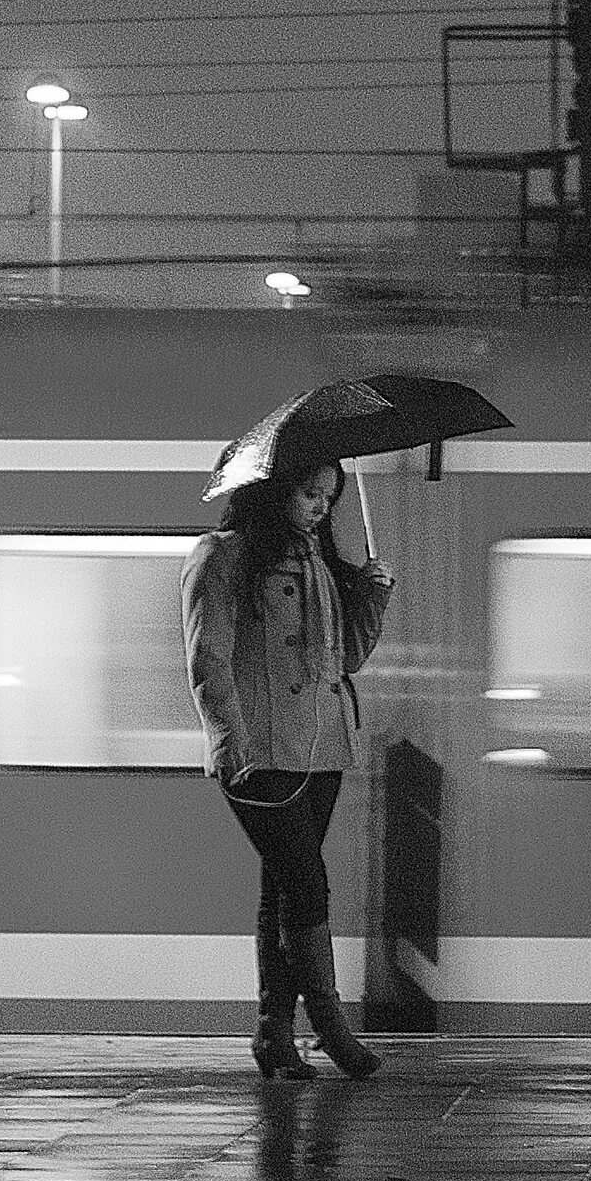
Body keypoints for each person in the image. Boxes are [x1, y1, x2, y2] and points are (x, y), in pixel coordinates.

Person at [181, 458, 394, 1079]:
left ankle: (274, 1034)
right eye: (309, 492)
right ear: (274, 490)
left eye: (329, 497)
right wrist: (227, 738)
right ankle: (329, 1026)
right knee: (306, 880)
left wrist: (370, 597)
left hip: (323, 748)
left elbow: (345, 657)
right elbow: (207, 654)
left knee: (283, 885)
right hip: (259, 751)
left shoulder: (323, 565)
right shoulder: (223, 556)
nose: (320, 507)